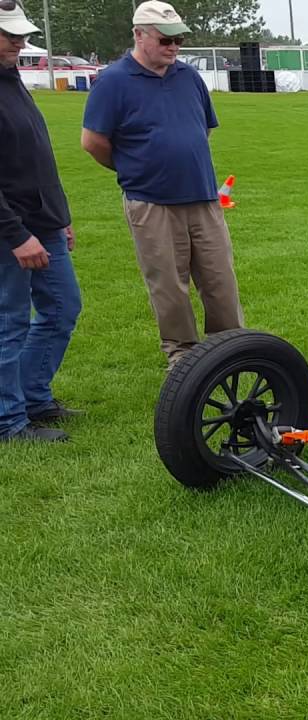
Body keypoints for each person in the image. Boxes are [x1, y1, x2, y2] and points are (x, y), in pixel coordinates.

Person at [81, 0, 244, 369]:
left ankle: (229, 351)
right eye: (165, 40)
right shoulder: (113, 81)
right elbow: (93, 142)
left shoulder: (189, 77)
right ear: (139, 35)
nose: (173, 47)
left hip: (202, 197)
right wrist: (136, 169)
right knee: (169, 287)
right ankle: (183, 360)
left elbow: (202, 130)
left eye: (179, 41)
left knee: (221, 281)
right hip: (151, 202)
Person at [0, 0, 83, 443]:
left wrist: (60, 217)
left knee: (62, 307)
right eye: (8, 33)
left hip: (44, 222)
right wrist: (16, 234)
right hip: (11, 231)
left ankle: (33, 397)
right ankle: (8, 421)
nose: (19, 40)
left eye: (21, 33)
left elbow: (36, 157)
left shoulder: (11, 79)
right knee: (9, 321)